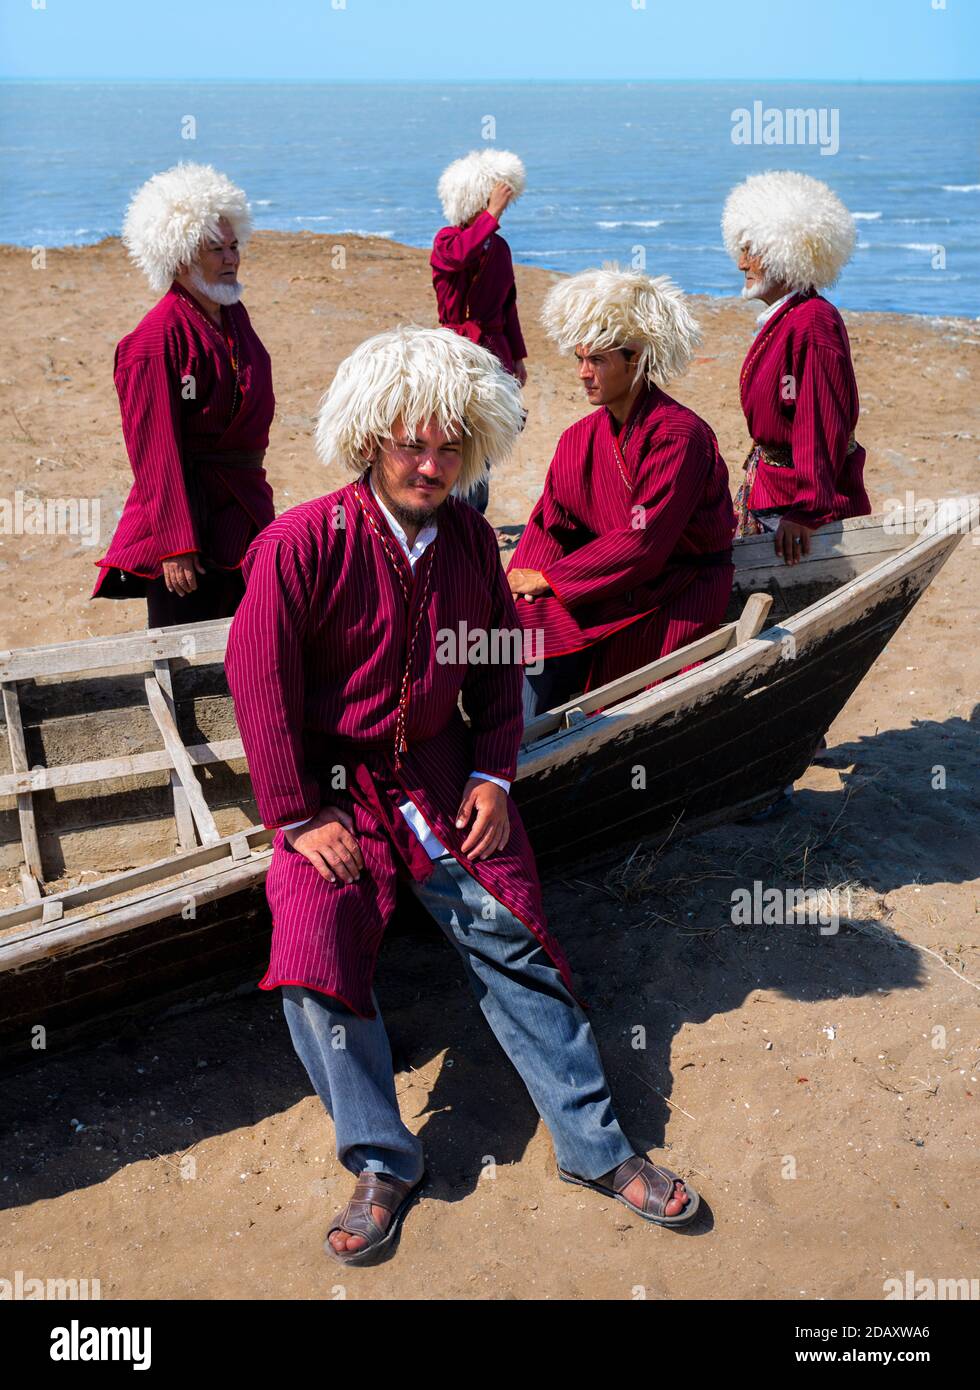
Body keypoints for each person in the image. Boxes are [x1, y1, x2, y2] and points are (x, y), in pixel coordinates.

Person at [225, 326, 700, 1266]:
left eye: (450, 447)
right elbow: (259, 683)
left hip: (440, 774)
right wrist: (296, 816)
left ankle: (595, 1149)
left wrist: (491, 773)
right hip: (333, 786)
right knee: (313, 941)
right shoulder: (299, 544)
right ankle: (382, 1161)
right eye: (412, 444)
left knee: (508, 927)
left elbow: (494, 663)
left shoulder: (475, 542)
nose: (431, 464)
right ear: (371, 441)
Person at [507, 267, 735, 718]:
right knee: (517, 629)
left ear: (636, 360)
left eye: (598, 361)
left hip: (678, 587)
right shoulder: (579, 438)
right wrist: (523, 579)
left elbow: (643, 542)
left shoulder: (678, 435)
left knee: (625, 679)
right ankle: (516, 750)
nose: (583, 374)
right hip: (609, 581)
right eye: (579, 360)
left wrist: (552, 580)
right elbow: (550, 523)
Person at [92, 162, 275, 626]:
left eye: (234, 246)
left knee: (251, 634)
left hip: (243, 504)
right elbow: (155, 453)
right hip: (188, 521)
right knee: (184, 653)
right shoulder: (154, 342)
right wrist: (176, 544)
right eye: (216, 249)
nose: (231, 258)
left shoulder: (233, 314)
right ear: (178, 256)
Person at [722, 170, 870, 564]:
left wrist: (808, 510)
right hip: (774, 491)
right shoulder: (788, 318)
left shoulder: (812, 322)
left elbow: (820, 422)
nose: (741, 264)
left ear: (788, 253)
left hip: (798, 507)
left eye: (752, 251)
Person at [431, 149, 528, 516]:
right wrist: (493, 214)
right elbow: (459, 259)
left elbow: (509, 306)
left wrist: (517, 357)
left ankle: (474, 513)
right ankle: (453, 508)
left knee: (485, 435)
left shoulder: (500, 247)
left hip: (495, 351)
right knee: (457, 431)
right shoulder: (446, 241)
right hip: (457, 352)